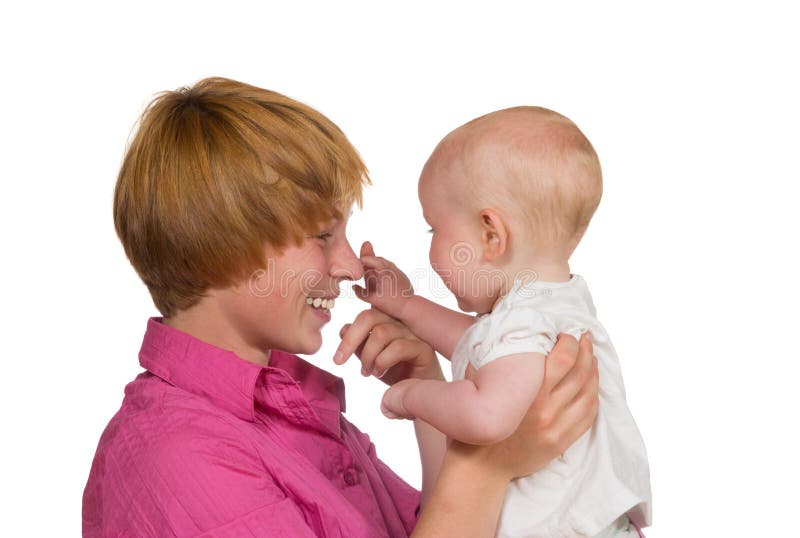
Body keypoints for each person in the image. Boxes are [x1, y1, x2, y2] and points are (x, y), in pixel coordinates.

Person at [82, 79, 599, 537]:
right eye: (324, 235)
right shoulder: (179, 460)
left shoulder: (297, 415)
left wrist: (431, 385)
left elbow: (455, 525)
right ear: (222, 246)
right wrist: (487, 463)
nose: (352, 266)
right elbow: (471, 503)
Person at [347, 107, 651, 537]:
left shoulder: (525, 323)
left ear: (491, 236)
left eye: (435, 231)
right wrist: (405, 305)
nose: (432, 251)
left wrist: (412, 396)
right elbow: (477, 344)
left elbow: (487, 415)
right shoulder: (555, 305)